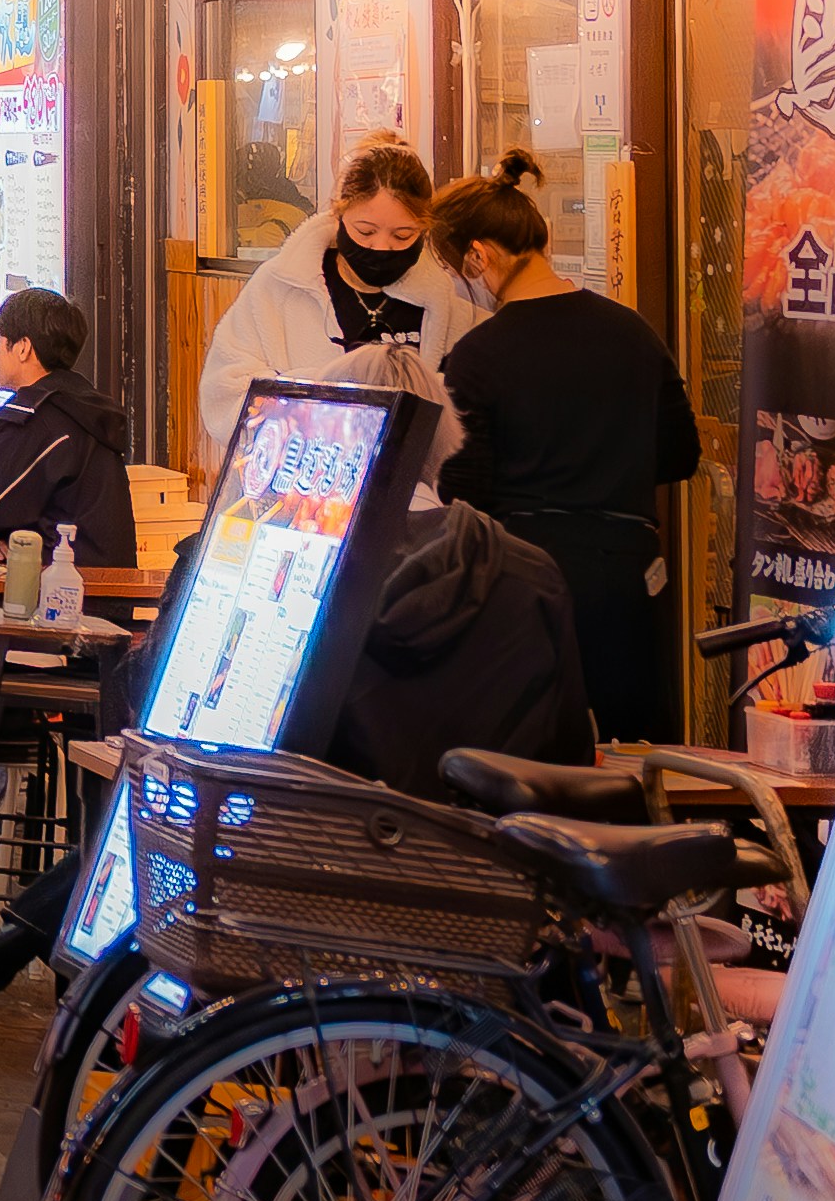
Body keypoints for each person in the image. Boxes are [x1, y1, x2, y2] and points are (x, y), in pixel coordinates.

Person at [427, 164, 706, 749]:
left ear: (478, 256)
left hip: (522, 577)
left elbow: (462, 487)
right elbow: (681, 453)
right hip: (631, 575)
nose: (457, 284)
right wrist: (605, 475)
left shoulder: (478, 355)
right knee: (635, 754)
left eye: (453, 270)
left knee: (539, 756)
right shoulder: (633, 332)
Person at [194, 131, 466, 458]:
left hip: (413, 495)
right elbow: (224, 393)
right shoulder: (281, 285)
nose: (382, 247)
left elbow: (465, 411)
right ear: (339, 214)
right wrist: (320, 397)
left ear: (424, 229)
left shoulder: (443, 303)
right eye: (365, 231)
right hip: (305, 489)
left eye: (402, 235)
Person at [324, 492, 593, 792]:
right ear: (452, 448)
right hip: (487, 833)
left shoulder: (310, 551)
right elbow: (573, 769)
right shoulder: (534, 573)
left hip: (324, 827)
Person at [0, 283, 136, 568]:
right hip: (102, 588)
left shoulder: (38, 420)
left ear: (22, 348)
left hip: (61, 592)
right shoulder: (82, 405)